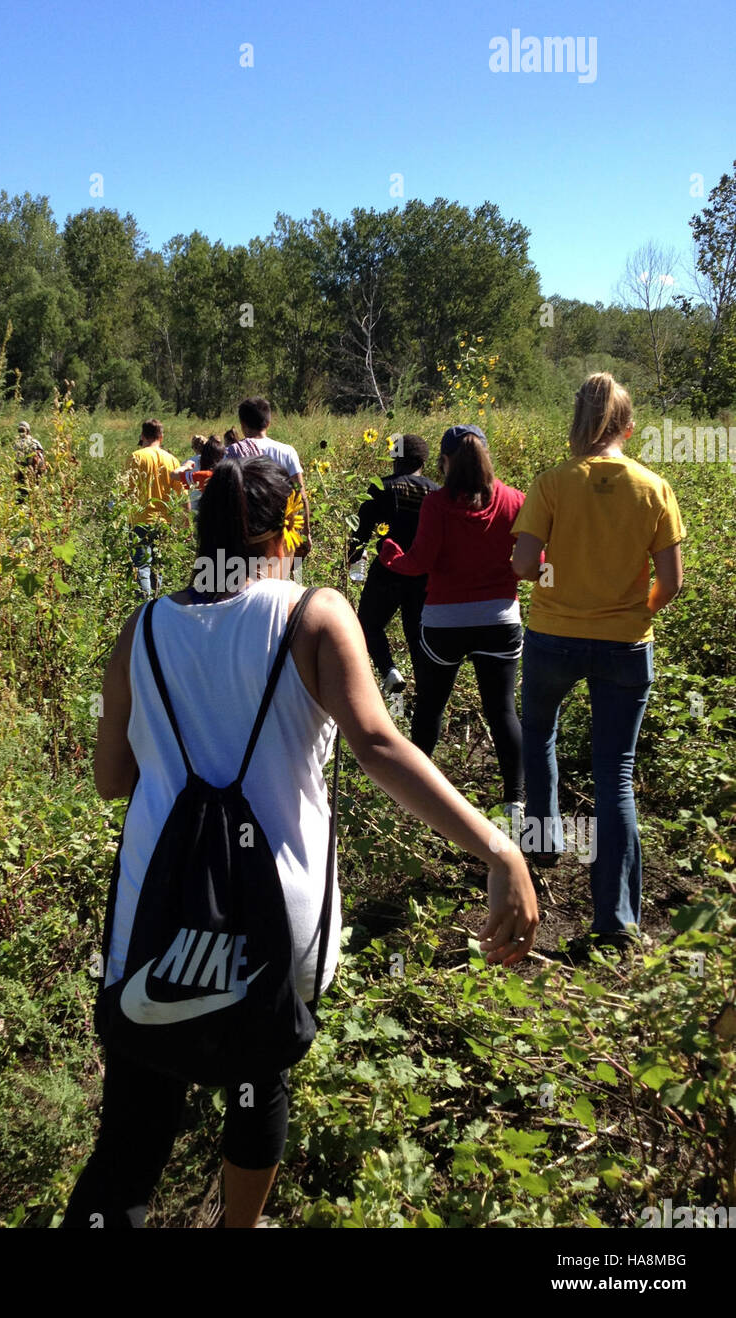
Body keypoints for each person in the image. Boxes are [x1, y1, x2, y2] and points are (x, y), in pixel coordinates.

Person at [62, 455, 538, 1229]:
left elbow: (111, 779)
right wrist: (498, 848)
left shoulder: (142, 629)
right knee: (257, 1084)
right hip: (275, 913)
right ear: (288, 528)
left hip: (155, 903)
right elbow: (378, 746)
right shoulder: (313, 614)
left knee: (131, 1126)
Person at [510, 373, 685, 952]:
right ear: (627, 427)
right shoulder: (654, 488)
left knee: (539, 734)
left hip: (552, 637)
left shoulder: (553, 483)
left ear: (577, 424)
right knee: (616, 773)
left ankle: (541, 841)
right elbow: (671, 582)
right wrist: (630, 612)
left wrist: (560, 584)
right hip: (626, 646)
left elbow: (525, 565)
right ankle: (615, 922)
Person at [379, 426, 526, 820]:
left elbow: (419, 564)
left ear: (444, 462)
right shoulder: (516, 501)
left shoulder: (438, 504)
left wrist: (390, 553)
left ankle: (417, 794)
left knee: (430, 706)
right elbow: (535, 564)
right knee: (503, 710)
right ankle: (516, 799)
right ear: (486, 456)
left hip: (445, 624)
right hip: (500, 621)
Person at [348, 433, 439, 697]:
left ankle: (389, 672)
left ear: (394, 457)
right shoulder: (437, 492)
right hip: (423, 576)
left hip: (388, 570)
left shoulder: (381, 486)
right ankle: (425, 696)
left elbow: (360, 533)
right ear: (424, 459)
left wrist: (354, 563)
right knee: (416, 637)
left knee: (367, 624)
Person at [223, 398, 311, 557]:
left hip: (247, 535)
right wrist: (306, 533)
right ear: (268, 423)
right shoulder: (287, 452)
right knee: (285, 578)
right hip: (281, 533)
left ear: (242, 424)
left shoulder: (233, 453)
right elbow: (300, 493)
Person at [125, 419, 182, 599]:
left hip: (139, 520)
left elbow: (126, 490)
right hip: (164, 522)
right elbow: (181, 494)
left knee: (141, 566)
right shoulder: (172, 460)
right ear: (161, 437)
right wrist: (185, 522)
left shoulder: (136, 457)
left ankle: (145, 604)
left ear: (142, 436)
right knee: (158, 567)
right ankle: (156, 604)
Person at [170, 433, 224, 524]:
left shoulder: (203, 474)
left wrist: (186, 466)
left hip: (198, 508)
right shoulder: (228, 471)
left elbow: (174, 475)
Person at [14, 421, 45, 501]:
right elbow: (42, 454)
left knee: (21, 492)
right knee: (36, 490)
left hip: (23, 470)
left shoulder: (17, 443)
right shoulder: (35, 442)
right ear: (28, 431)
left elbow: (16, 459)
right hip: (36, 470)